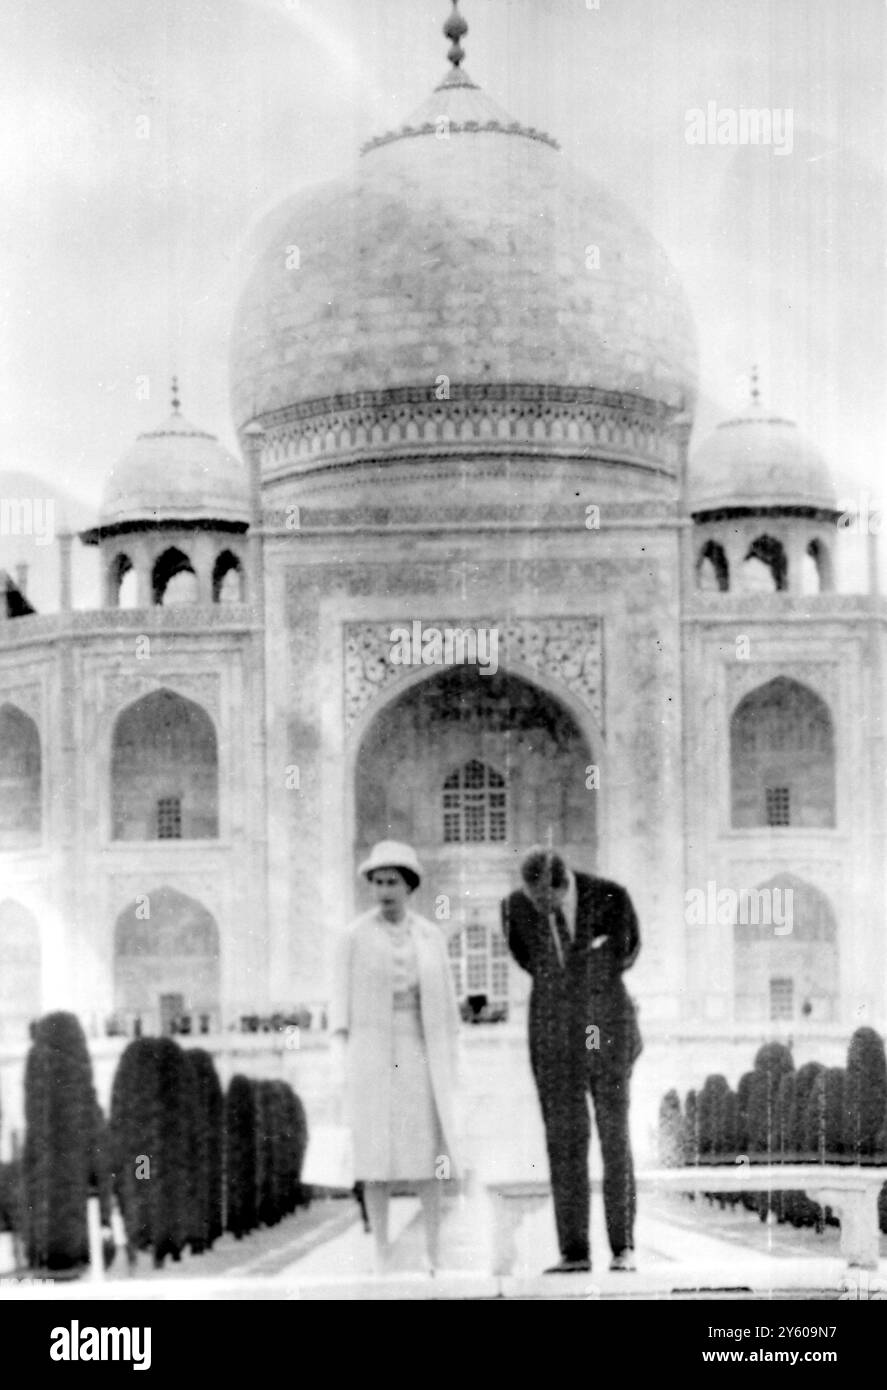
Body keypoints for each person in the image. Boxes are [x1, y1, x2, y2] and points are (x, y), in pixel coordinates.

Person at [501, 845, 642, 1274]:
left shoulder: (610, 895)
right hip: (553, 1040)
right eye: (535, 902)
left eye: (550, 901)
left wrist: (588, 977)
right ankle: (574, 1251)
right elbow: (529, 961)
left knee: (613, 1137)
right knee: (564, 1142)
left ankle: (623, 1247)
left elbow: (629, 951)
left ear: (564, 884)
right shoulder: (514, 908)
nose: (543, 910)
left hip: (602, 1032)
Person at [330, 840, 461, 1273]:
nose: (385, 890)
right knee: (375, 1156)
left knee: (427, 1152)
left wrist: (455, 1064)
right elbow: (339, 1011)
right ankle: (380, 1251)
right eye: (378, 882)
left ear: (409, 887)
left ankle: (433, 1250)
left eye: (393, 882)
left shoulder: (430, 937)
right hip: (371, 1055)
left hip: (420, 1051)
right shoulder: (353, 937)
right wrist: (340, 1062)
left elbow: (447, 1011)